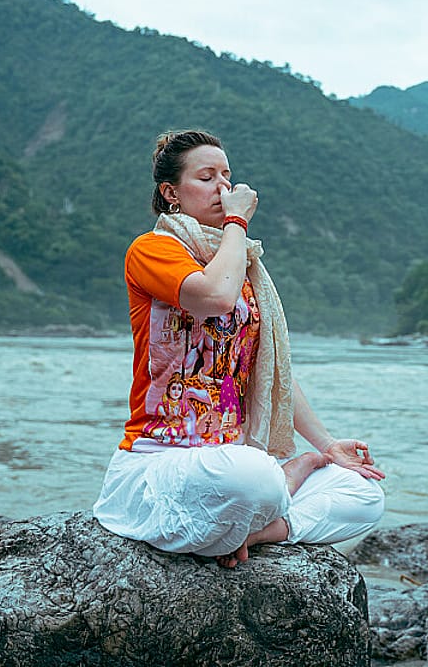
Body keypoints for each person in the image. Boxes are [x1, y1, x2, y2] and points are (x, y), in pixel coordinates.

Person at [93, 129, 385, 568]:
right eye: (206, 177)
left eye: (226, 176)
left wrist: (328, 446)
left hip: (232, 459)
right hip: (162, 462)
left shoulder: (242, 265)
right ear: (170, 192)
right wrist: (237, 224)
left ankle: (262, 531)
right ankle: (277, 488)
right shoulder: (153, 250)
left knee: (364, 496)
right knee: (252, 479)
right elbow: (215, 297)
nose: (223, 188)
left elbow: (269, 374)